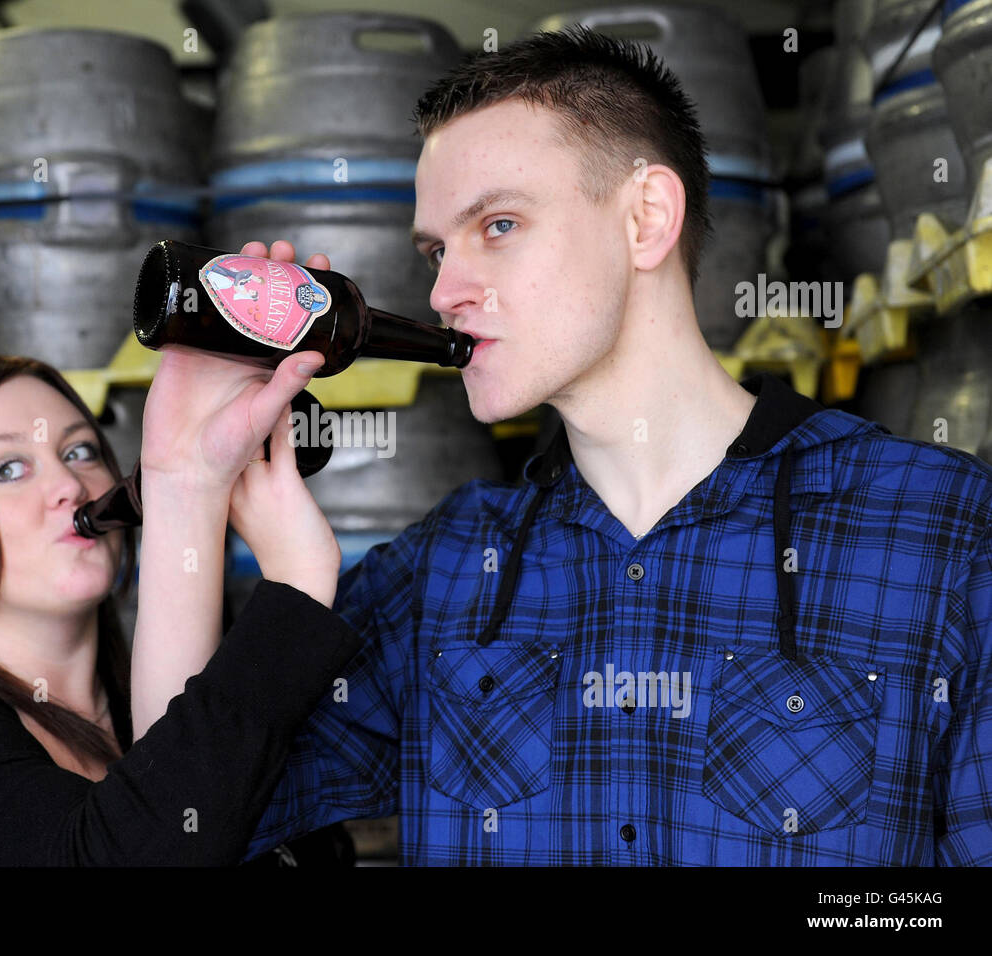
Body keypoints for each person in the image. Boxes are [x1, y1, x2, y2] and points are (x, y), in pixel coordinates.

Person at [141, 27, 992, 865]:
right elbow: (179, 826)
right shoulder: (442, 572)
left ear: (646, 218)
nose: (443, 291)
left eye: (499, 226)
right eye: (436, 249)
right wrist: (185, 484)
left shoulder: (940, 529)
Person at [0, 349, 361, 865]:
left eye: (80, 451)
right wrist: (296, 585)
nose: (68, 483)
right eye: (8, 468)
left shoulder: (168, 714)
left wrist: (192, 484)